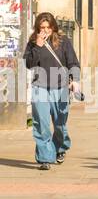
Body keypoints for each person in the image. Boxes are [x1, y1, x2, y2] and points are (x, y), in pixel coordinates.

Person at [24, 12, 81, 169]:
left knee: (60, 124)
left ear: (53, 27)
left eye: (48, 28)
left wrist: (75, 80)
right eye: (41, 28)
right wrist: (37, 46)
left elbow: (73, 63)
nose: (45, 31)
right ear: (37, 28)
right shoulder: (32, 43)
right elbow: (29, 64)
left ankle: (60, 147)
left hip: (60, 87)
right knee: (41, 123)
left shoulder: (63, 42)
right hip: (40, 87)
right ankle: (45, 158)